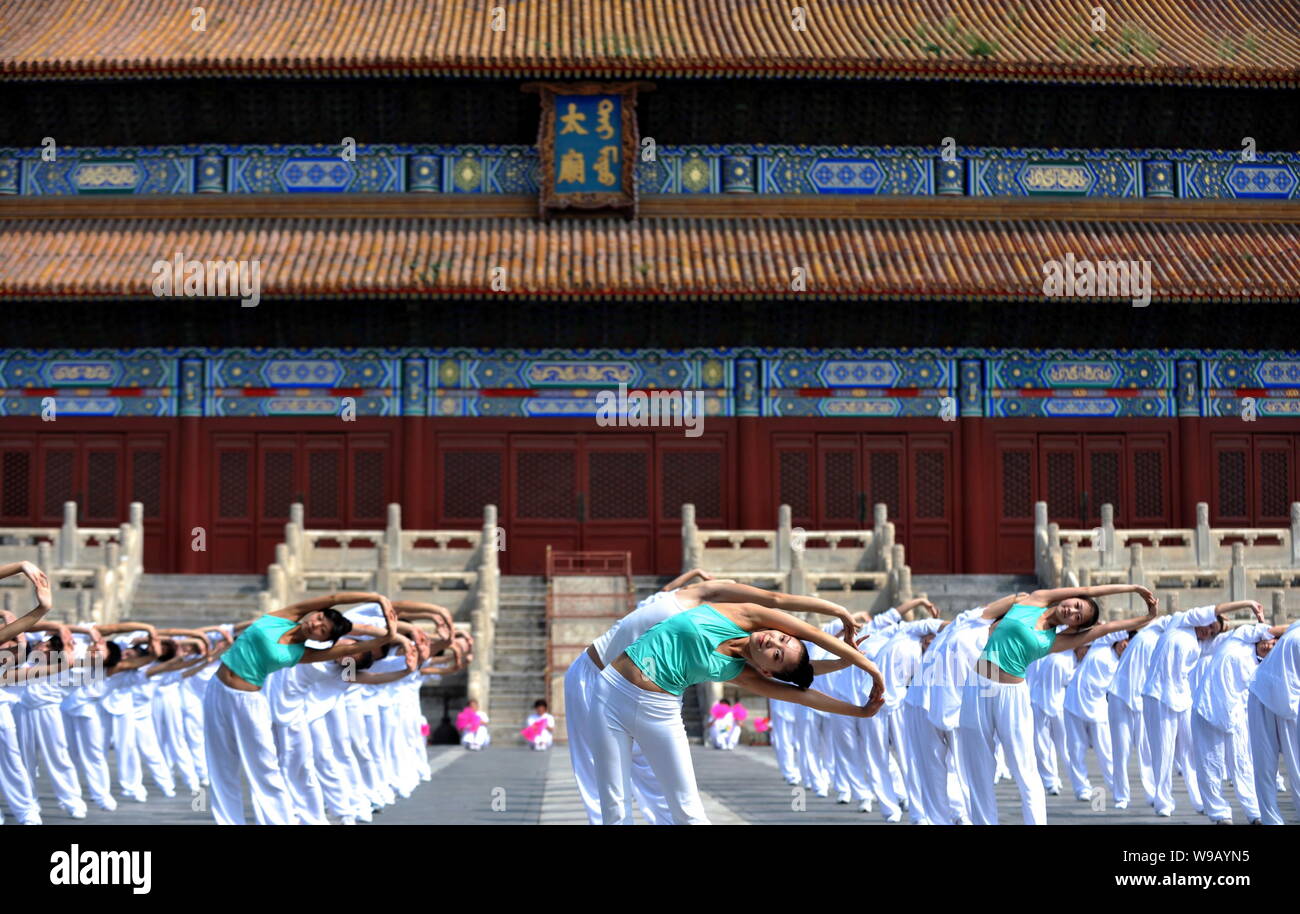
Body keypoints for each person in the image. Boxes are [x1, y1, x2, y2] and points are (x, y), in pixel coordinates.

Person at [565, 567, 860, 824]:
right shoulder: (695, 598)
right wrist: (837, 611)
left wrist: (842, 660)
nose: (739, 593)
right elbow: (777, 603)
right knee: (604, 785)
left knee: (660, 786)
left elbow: (782, 668)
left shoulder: (732, 643)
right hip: (595, 674)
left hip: (648, 694)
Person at [957, 584, 1158, 825]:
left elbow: (1107, 628)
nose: (1071, 611)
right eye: (1076, 605)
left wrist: (1147, 618)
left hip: (1010, 696)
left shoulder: (1058, 640)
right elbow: (1089, 589)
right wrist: (1133, 587)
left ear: (1075, 626)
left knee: (1024, 768)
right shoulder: (1037, 599)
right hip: (976, 685)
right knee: (978, 768)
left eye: (1078, 616)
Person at [203, 592, 395, 824]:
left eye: (322, 630)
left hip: (250, 702)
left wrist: (391, 637)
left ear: (324, 639)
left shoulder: (304, 653)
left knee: (265, 768)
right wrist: (377, 598)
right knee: (220, 764)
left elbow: (347, 654)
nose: (315, 625)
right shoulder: (285, 616)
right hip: (217, 688)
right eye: (319, 619)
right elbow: (334, 598)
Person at [1141, 599, 1264, 817]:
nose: (1208, 631)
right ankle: (1163, 802)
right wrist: (1247, 604)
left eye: (1212, 631)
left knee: (1191, 750)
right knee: (1163, 752)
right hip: (1158, 694)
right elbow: (1215, 609)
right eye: (1208, 626)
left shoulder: (1202, 646)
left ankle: (1199, 799)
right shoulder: (1181, 622)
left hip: (1182, 698)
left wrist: (1251, 624)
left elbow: (1232, 640)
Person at [1192, 609, 1284, 824]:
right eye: (1270, 641)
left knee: (1243, 765)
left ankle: (1254, 813)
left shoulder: (1266, 670)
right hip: (1207, 708)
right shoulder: (1240, 639)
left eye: (1274, 647)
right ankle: (1219, 814)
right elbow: (1270, 630)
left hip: (1235, 715)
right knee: (1209, 764)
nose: (1268, 645)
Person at [1063, 631, 1129, 803]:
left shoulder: (1124, 666)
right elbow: (1113, 629)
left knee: (1106, 752)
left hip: (1097, 708)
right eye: (1125, 640)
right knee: (1076, 749)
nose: (1126, 644)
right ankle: (1082, 788)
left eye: (1130, 643)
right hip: (1073, 702)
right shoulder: (1101, 645)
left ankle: (1117, 789)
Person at [1247, 619, 1300, 825]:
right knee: (1266, 766)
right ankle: (1271, 820)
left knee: (1292, 767)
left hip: (1288, 697)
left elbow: (1280, 629)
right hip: (1264, 692)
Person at [1026, 645, 1076, 798]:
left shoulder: (1071, 655)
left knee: (1066, 745)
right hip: (1037, 699)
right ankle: (1050, 781)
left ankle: (1078, 782)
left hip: (1060, 703)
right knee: (1042, 745)